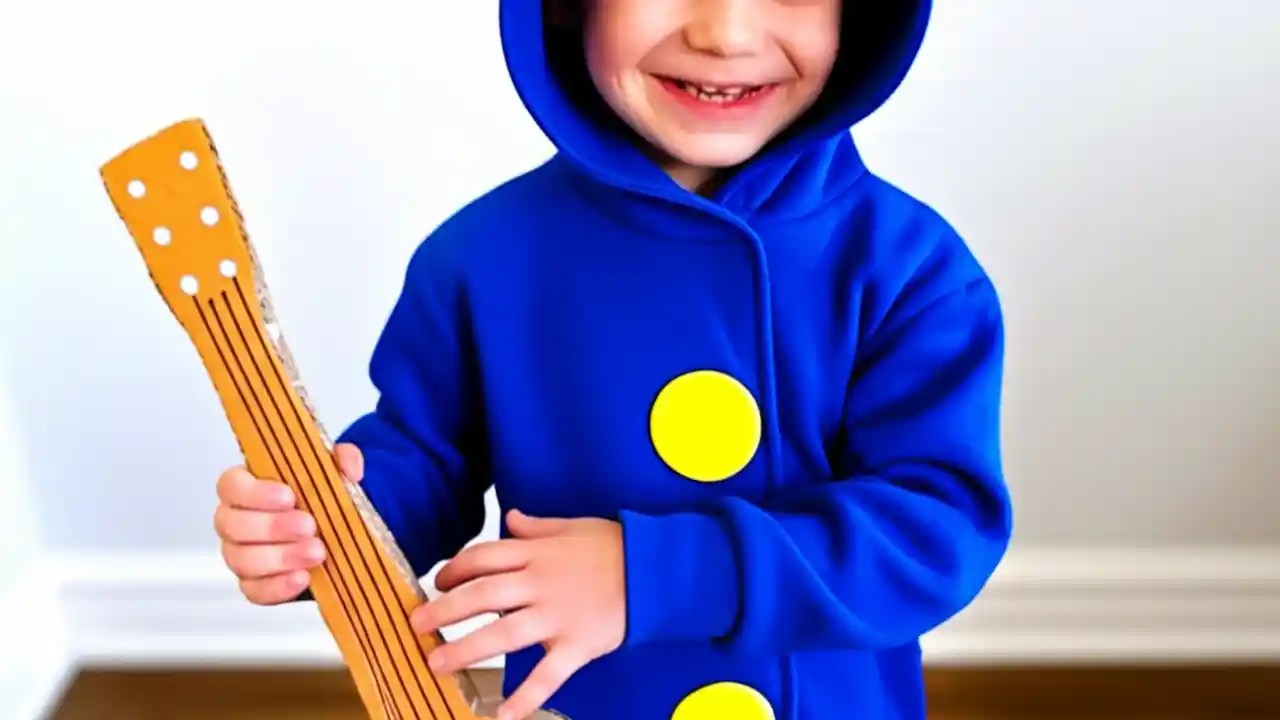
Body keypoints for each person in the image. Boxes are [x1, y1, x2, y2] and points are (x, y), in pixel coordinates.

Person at [212, 1, 1013, 718]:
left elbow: (932, 531)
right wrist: (329, 524)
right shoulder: (482, 259)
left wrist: (649, 575)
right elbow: (424, 457)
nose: (725, 32)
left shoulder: (911, 271)